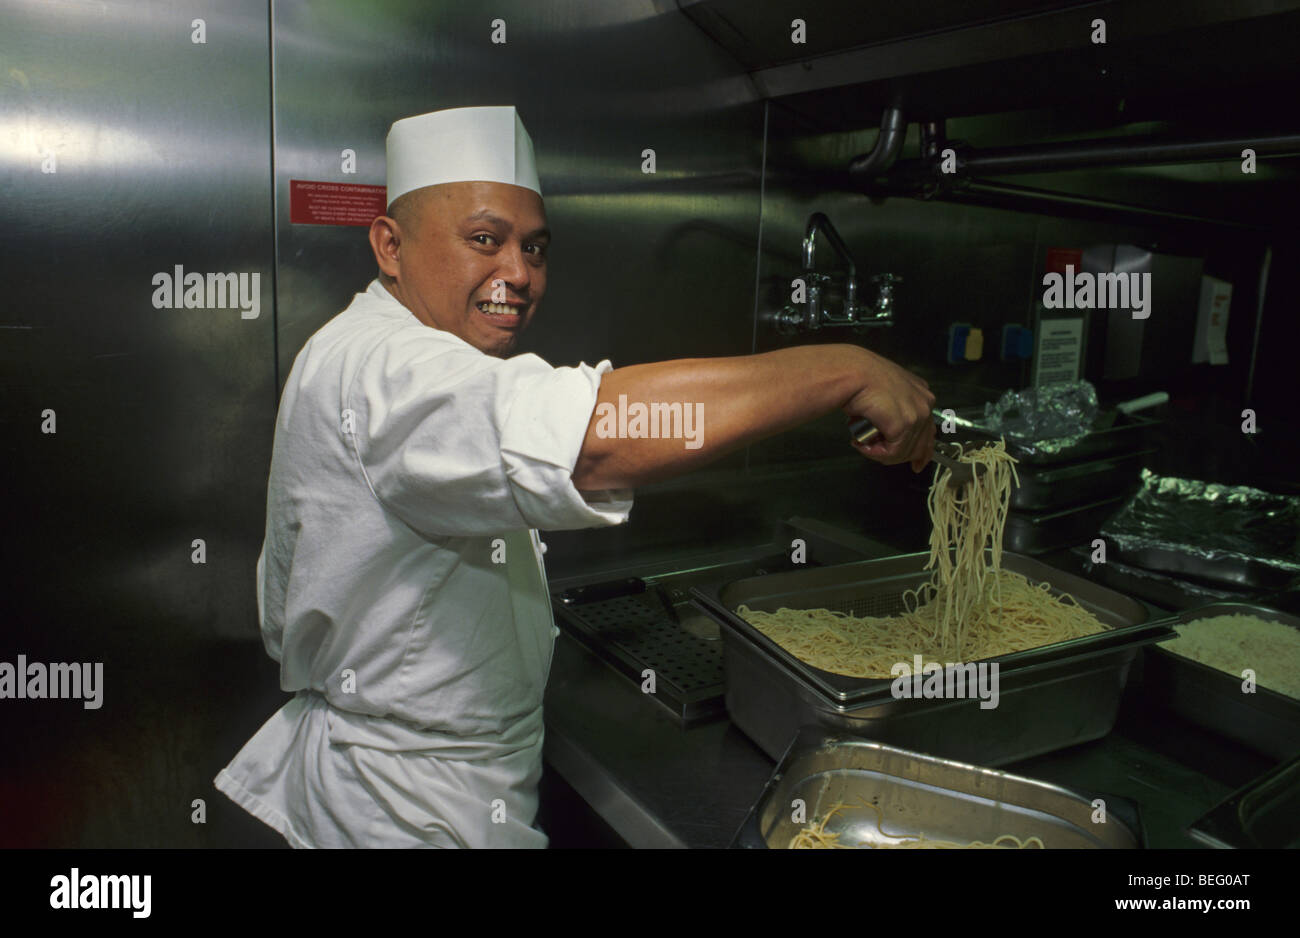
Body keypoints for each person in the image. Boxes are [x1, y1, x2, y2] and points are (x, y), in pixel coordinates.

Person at [214, 106, 935, 848]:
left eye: (535, 247)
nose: (519, 275)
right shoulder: (391, 371)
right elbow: (594, 440)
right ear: (390, 246)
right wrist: (841, 369)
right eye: (484, 241)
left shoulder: (363, 345)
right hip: (408, 810)